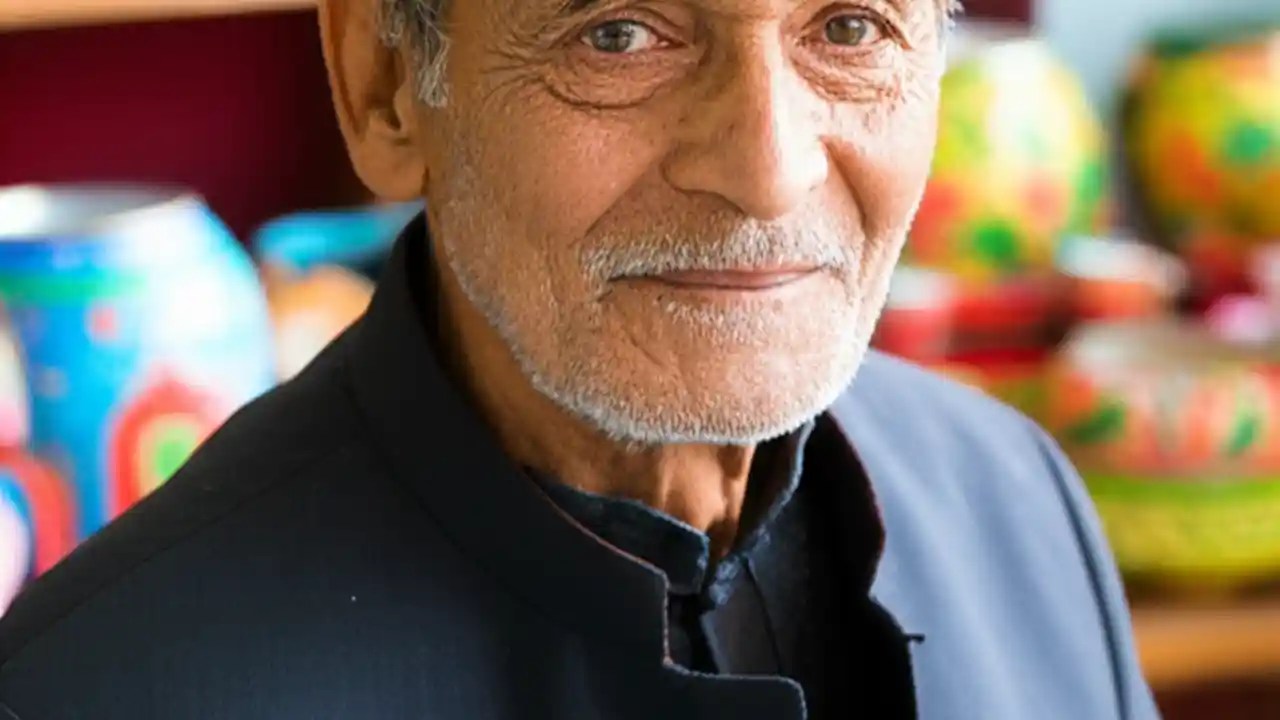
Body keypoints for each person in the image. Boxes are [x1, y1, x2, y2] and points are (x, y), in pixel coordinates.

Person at [0, 0, 1160, 717]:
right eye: (620, 34)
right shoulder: (101, 688)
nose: (767, 168)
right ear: (386, 83)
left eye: (848, 25)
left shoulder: (1021, 509)